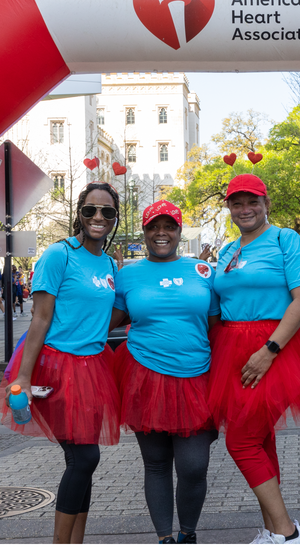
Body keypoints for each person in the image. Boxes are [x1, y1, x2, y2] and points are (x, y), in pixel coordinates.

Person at [208, 173, 300, 544]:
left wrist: (269, 351)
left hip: (276, 349)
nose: (245, 209)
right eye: (237, 203)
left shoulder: (285, 240)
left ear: (266, 204)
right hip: (233, 349)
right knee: (259, 439)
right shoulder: (227, 250)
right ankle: (273, 530)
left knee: (241, 441)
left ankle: (288, 533)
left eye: (253, 201)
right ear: (229, 208)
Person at [0, 182, 122, 544]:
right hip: (58, 367)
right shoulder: (58, 255)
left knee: (82, 462)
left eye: (107, 211)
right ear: (79, 213)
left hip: (94, 368)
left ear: (114, 218)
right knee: (84, 458)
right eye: (91, 210)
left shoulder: (110, 263)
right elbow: (40, 318)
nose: (98, 217)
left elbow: (108, 315)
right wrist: (22, 378)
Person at [108, 200, 220, 544]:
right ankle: (166, 538)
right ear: (144, 232)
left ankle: (188, 533)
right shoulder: (127, 275)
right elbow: (106, 322)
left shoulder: (203, 270)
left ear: (179, 231)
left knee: (193, 466)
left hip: (197, 377)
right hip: (144, 375)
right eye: (153, 227)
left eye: (169, 226)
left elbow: (217, 326)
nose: (161, 233)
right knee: (156, 463)